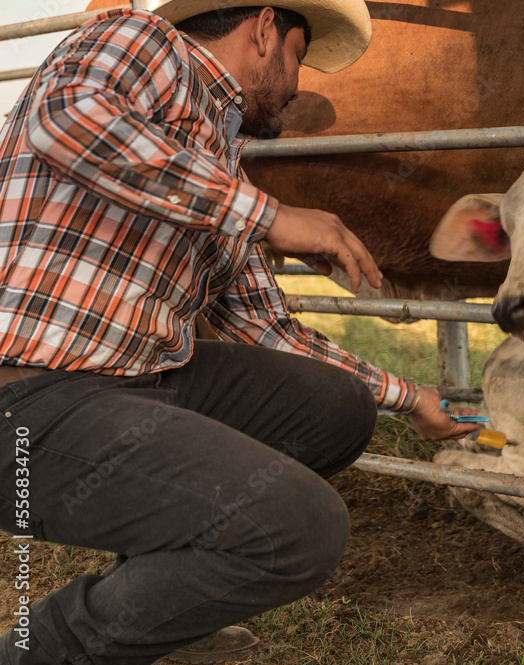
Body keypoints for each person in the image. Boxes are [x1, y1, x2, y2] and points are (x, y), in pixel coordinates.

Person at [0, 1, 479, 663]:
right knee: (300, 528)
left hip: (127, 386)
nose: (296, 85)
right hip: (26, 401)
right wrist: (269, 214)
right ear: (261, 30)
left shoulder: (218, 160)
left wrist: (410, 395)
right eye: (298, 57)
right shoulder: (143, 40)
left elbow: (260, 322)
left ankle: (151, 609)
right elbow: (68, 118)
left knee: (336, 406)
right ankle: (36, 650)